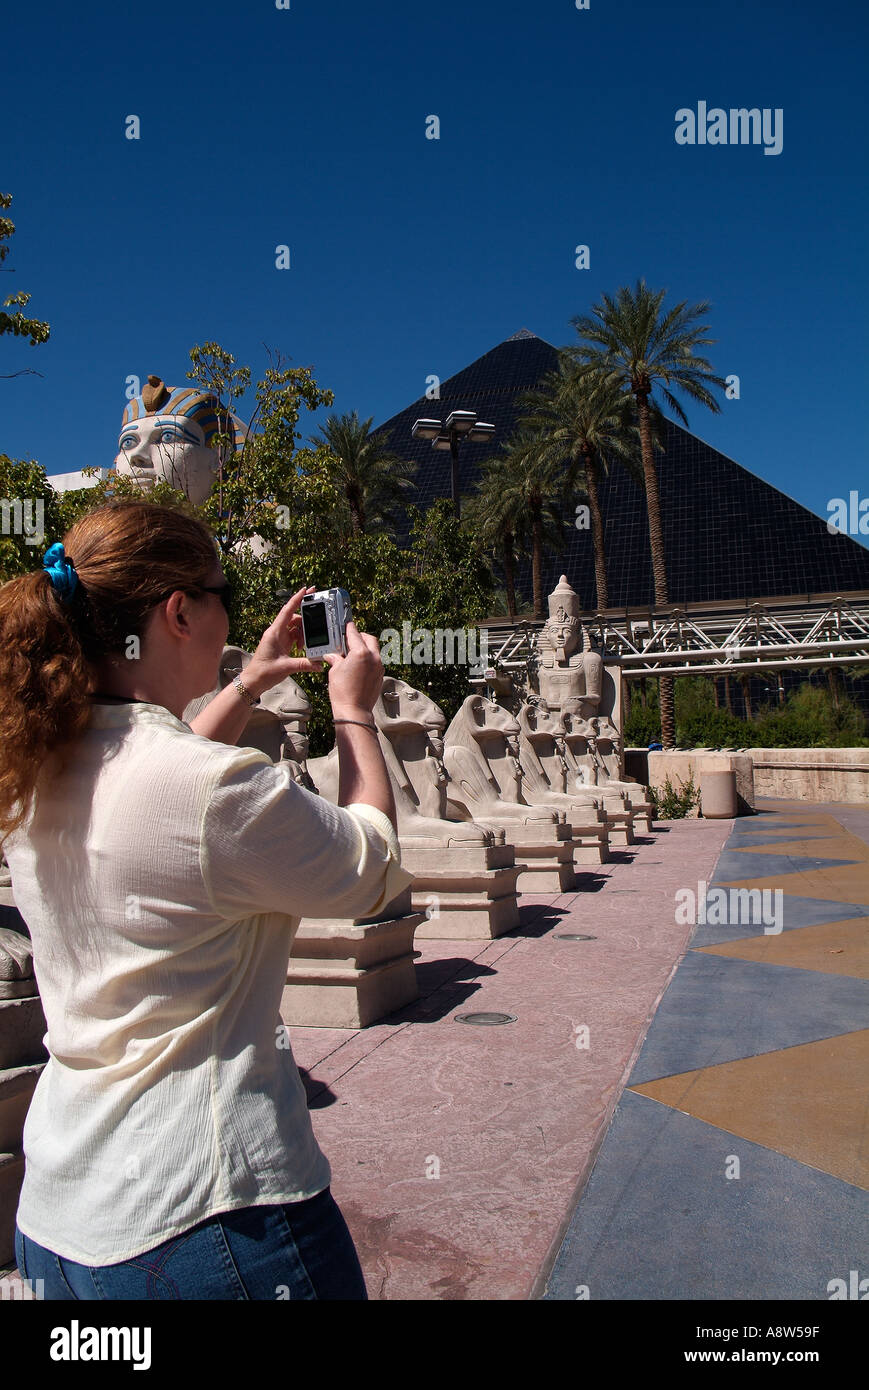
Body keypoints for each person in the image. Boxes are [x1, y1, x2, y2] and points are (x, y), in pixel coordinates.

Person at [0, 500, 413, 1300]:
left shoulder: (39, 756)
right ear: (179, 611)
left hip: (61, 1217)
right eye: (222, 593)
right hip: (210, 1217)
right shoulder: (207, 787)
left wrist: (251, 680)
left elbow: (170, 790)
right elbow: (371, 870)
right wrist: (354, 712)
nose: (232, 616)